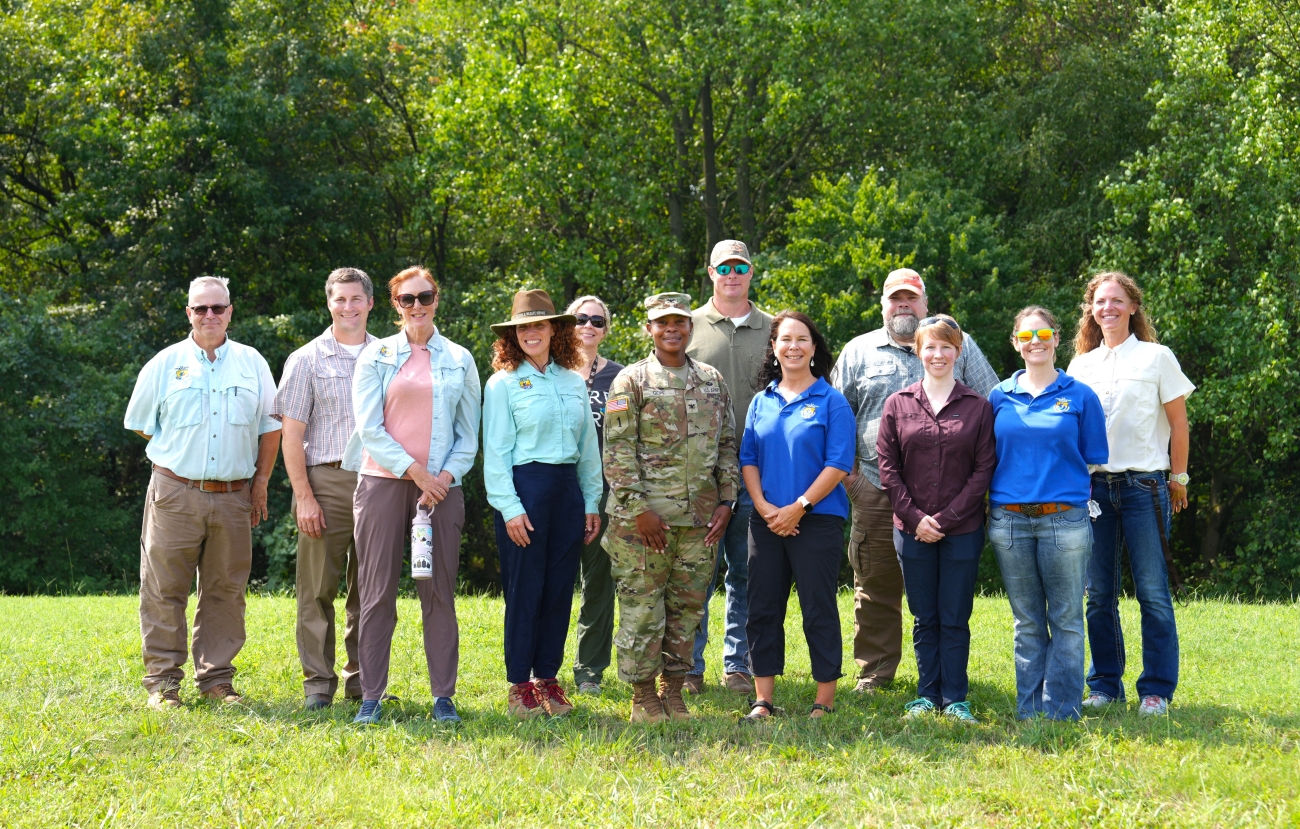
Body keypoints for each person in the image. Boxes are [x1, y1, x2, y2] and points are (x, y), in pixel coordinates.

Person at [830, 268, 1000, 693]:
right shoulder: (858, 351)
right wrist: (851, 478)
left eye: (912, 298)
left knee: (946, 595)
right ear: (884, 305)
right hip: (875, 485)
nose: (903, 304)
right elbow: (836, 417)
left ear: (925, 304)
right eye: (895, 298)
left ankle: (947, 677)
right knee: (875, 584)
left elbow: (993, 402)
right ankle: (875, 673)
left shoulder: (960, 343)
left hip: (951, 498)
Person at [123, 276, 281, 709]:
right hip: (174, 493)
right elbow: (141, 422)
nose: (209, 315)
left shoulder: (252, 363)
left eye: (217, 308)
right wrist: (180, 455)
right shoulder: (164, 363)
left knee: (225, 590)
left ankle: (216, 681)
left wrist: (260, 482)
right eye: (200, 309)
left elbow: (271, 428)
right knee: (163, 588)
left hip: (234, 496)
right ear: (188, 313)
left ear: (230, 312)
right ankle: (163, 684)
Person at [345, 266, 481, 725]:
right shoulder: (376, 356)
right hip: (383, 484)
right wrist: (416, 472)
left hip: (441, 493)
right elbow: (369, 427)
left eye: (425, 297)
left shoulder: (460, 358)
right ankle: (370, 696)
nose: (417, 306)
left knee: (438, 592)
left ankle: (444, 696)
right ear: (395, 305)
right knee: (377, 591)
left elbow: (468, 434)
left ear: (437, 299)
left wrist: (442, 478)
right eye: (407, 299)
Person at [602, 293, 739, 722]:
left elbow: (727, 445)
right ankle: (643, 697)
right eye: (663, 323)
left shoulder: (712, 380)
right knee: (642, 610)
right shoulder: (631, 381)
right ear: (649, 329)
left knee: (687, 612)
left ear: (690, 326)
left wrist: (727, 500)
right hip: (642, 525)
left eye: (679, 321)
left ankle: (673, 691)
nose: (672, 329)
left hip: (699, 523)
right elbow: (618, 451)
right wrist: (639, 510)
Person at [1068, 272, 1195, 717]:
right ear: (1091, 310)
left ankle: (1156, 690)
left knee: (1153, 592)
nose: (1109, 308)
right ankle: (1104, 685)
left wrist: (1178, 477)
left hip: (1146, 486)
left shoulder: (1157, 357)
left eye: (1117, 301)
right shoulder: (1080, 366)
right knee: (1098, 593)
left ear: (1133, 307)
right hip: (1094, 491)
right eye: (1100, 302)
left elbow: (1179, 424)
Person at [483, 289, 602, 719]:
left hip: (567, 491)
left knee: (558, 590)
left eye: (539, 324)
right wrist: (510, 508)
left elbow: (588, 448)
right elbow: (495, 452)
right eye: (524, 326)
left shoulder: (572, 381)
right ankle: (519, 685)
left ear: (555, 330)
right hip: (525, 489)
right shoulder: (503, 383)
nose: (532, 332)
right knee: (525, 589)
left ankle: (548, 679)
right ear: (513, 334)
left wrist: (591, 500)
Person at [987, 306, 1108, 721]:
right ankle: (1029, 711)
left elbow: (1093, 458)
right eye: (1026, 335)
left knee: (1067, 619)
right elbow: (987, 458)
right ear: (1015, 343)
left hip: (1065, 521)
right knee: (1027, 622)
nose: (1035, 341)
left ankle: (1061, 711)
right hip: (1009, 522)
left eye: (1043, 334)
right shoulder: (998, 397)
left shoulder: (1079, 395)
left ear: (1057, 339)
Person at [876, 314, 996, 722]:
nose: (938, 354)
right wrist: (915, 518)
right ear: (918, 351)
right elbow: (887, 468)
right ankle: (927, 694)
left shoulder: (978, 407)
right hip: (910, 531)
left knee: (955, 615)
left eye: (947, 347)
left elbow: (984, 470)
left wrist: (944, 518)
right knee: (924, 615)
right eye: (931, 346)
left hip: (962, 530)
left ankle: (956, 697)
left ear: (958, 353)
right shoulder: (898, 404)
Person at [739, 311, 855, 721]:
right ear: (773, 347)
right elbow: (748, 458)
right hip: (766, 521)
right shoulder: (761, 401)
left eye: (802, 339)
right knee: (762, 608)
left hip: (817, 520)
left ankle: (823, 700)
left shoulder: (831, 400)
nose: (793, 346)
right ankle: (763, 700)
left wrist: (799, 507)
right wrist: (767, 507)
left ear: (814, 348)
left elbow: (839, 463)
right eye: (785, 339)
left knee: (818, 607)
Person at [273, 267, 376, 710]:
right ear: (329, 303)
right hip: (327, 480)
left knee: (370, 589)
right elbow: (290, 436)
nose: (348, 307)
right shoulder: (307, 359)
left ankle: (363, 680)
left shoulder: (391, 356)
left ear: (371, 303)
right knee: (318, 589)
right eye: (340, 299)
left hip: (380, 480)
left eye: (356, 299)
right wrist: (304, 496)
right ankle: (318, 684)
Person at [685, 239, 773, 695]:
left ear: (751, 272)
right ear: (710, 271)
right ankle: (690, 667)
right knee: (698, 570)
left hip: (759, 472)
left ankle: (737, 664)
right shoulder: (689, 327)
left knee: (746, 572)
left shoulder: (776, 329)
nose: (733, 274)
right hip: (699, 476)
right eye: (725, 267)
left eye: (740, 266)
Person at [566, 294, 625, 696]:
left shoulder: (620, 378)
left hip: (603, 495)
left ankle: (590, 672)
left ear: (606, 329)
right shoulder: (548, 371)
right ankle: (542, 669)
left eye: (597, 321)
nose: (588, 325)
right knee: (549, 582)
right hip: (553, 489)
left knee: (598, 585)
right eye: (581, 318)